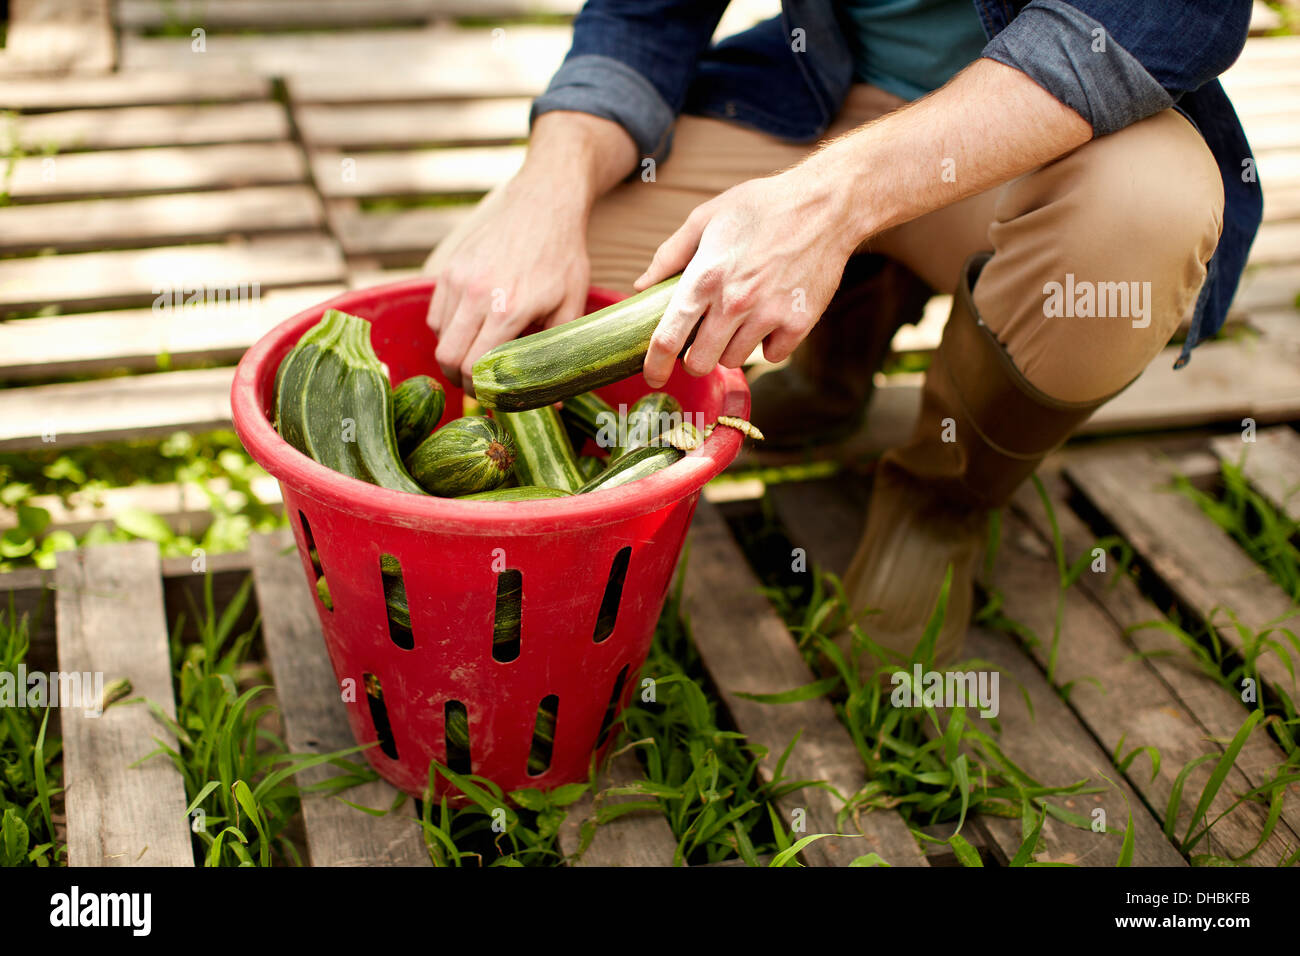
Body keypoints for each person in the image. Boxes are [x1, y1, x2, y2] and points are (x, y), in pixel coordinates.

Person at [423, 0, 1261, 669]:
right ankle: (840, 354)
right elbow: (644, 15)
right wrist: (549, 184)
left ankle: (943, 502)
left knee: (1134, 231)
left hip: (1044, 136)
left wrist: (830, 204)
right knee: (491, 289)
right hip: (814, 97)